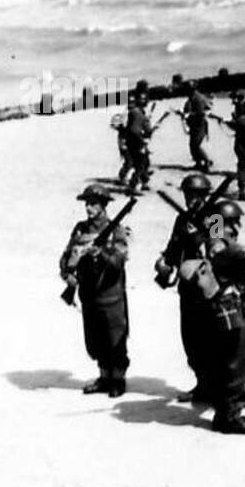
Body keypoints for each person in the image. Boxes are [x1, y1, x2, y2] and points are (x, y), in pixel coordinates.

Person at [200, 199, 245, 434]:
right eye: (233, 223)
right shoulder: (223, 247)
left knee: (224, 360)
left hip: (222, 308)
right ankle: (230, 416)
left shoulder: (214, 239)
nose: (237, 227)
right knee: (236, 362)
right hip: (233, 308)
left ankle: (223, 412)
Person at [60, 184, 130, 397]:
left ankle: (117, 379)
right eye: (87, 204)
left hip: (111, 294)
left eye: (93, 204)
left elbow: (216, 248)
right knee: (96, 339)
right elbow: (67, 254)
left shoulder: (214, 216)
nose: (89, 208)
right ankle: (105, 376)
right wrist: (67, 274)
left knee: (115, 337)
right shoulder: (81, 228)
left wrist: (102, 254)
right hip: (90, 293)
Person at [154, 172, 216, 402]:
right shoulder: (182, 219)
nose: (190, 199)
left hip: (206, 285)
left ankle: (214, 385)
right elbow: (173, 246)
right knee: (190, 338)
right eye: (188, 194)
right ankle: (201, 383)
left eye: (195, 195)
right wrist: (165, 263)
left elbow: (216, 249)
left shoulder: (214, 217)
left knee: (210, 338)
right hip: (186, 286)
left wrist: (197, 235)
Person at [123, 93, 153, 193]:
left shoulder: (136, 112)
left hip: (133, 141)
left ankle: (142, 181)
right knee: (141, 163)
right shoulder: (137, 113)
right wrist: (142, 141)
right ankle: (134, 185)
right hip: (136, 142)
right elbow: (135, 130)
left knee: (145, 163)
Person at [182, 81, 213, 173]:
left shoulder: (197, 98)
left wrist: (188, 115)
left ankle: (207, 161)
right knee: (192, 145)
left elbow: (200, 113)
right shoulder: (193, 97)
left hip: (199, 125)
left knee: (195, 145)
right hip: (194, 125)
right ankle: (198, 163)